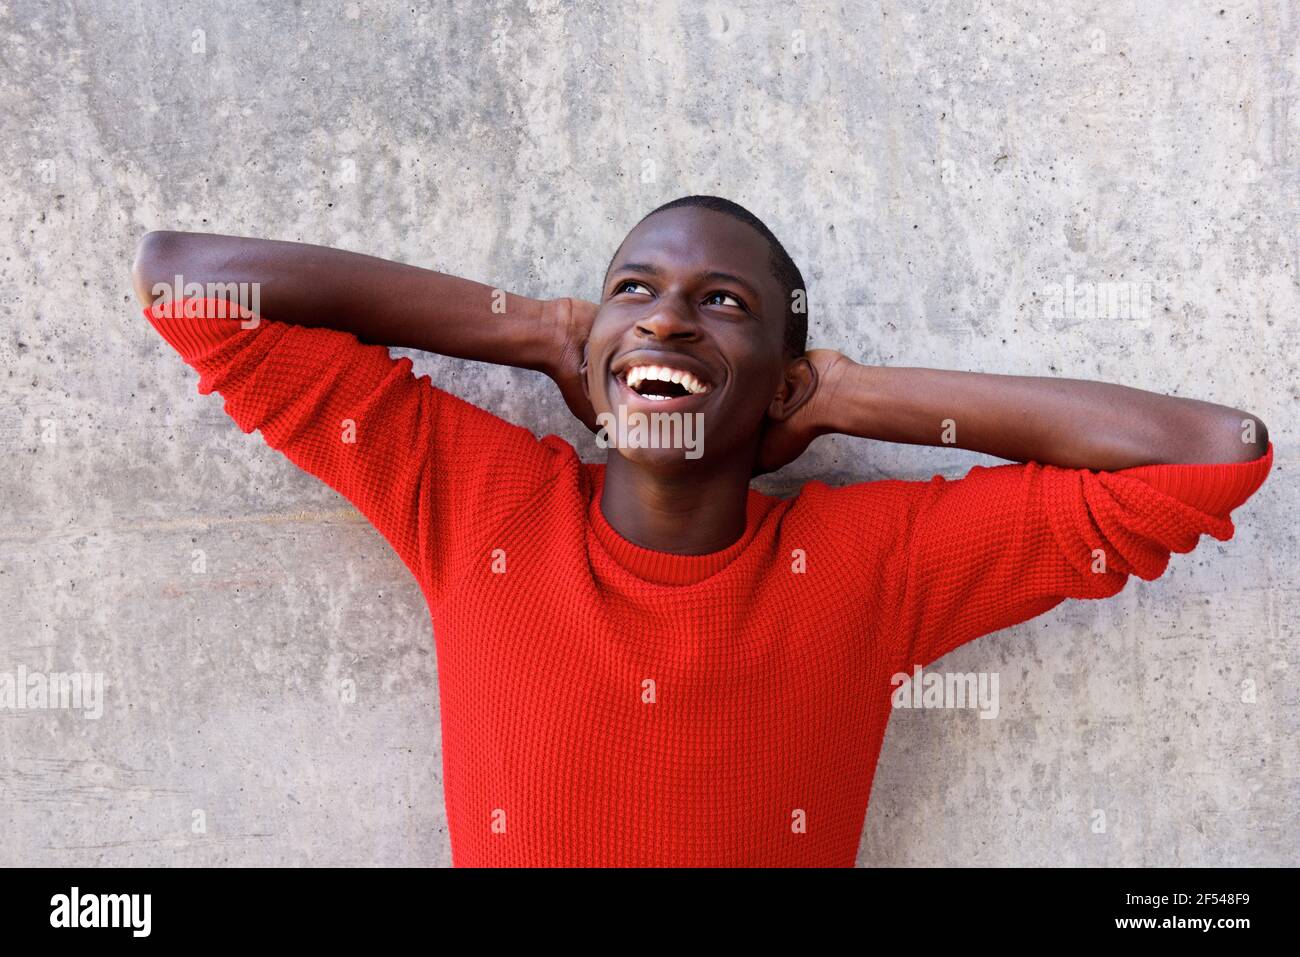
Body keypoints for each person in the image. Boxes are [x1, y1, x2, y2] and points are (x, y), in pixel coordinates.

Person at [131, 195, 1273, 867]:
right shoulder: (480, 506)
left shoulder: (871, 567)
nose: (669, 315)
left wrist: (846, 398)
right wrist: (540, 331)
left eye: (723, 304)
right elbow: (183, 282)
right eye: (637, 289)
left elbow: (1216, 452)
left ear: (781, 379)